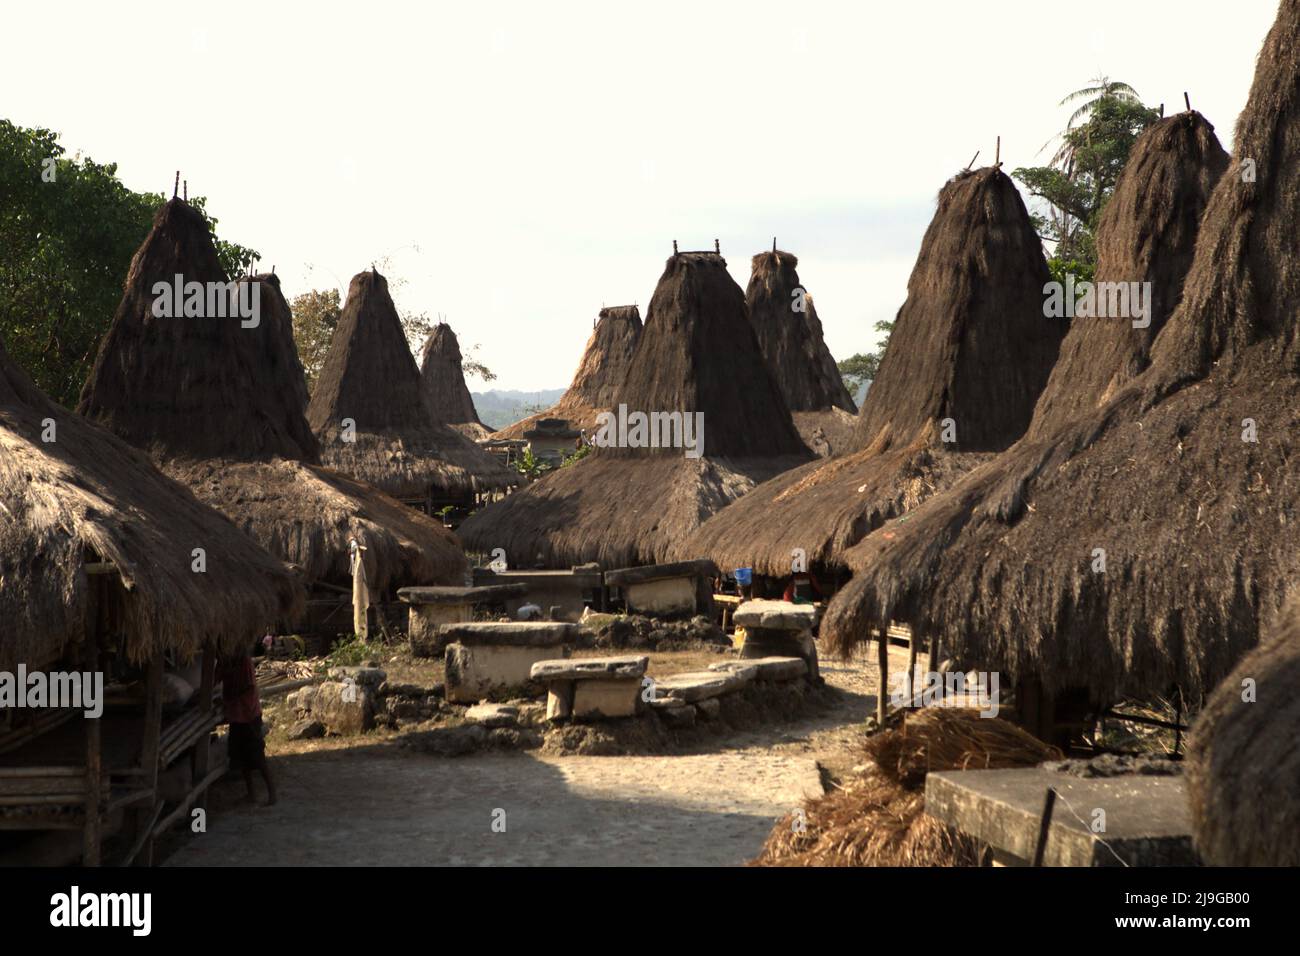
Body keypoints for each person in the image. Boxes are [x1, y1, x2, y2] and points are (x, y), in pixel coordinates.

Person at [217, 653, 277, 806]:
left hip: (249, 713)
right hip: (236, 714)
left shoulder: (243, 660)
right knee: (241, 757)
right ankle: (251, 794)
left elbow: (249, 687)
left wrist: (230, 698)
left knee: (257, 755)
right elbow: (216, 678)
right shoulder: (225, 660)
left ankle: (272, 793)